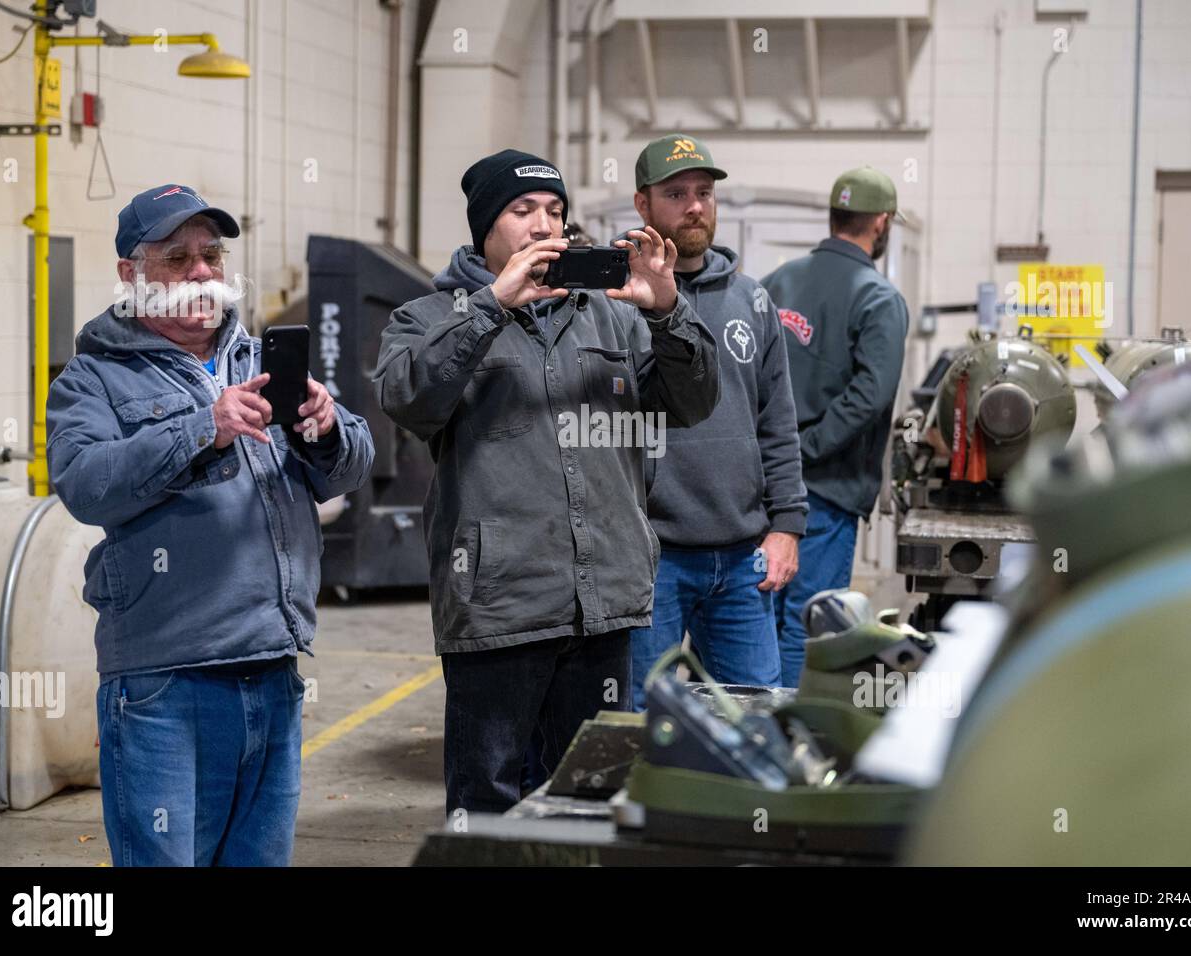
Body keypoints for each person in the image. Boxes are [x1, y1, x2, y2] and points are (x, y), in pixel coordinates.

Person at [373, 149, 718, 814]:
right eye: (522, 210)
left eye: (555, 212)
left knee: (592, 797)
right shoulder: (430, 315)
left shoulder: (610, 311)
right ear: (486, 228)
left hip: (603, 603)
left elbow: (693, 403)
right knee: (487, 799)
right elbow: (408, 396)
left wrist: (669, 313)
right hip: (501, 605)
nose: (543, 225)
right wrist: (492, 306)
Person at [46, 184, 375, 865]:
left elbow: (349, 469)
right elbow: (86, 486)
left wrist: (324, 428)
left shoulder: (261, 361)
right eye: (177, 257)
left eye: (211, 255)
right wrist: (206, 427)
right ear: (130, 275)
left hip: (272, 666)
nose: (201, 271)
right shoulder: (93, 379)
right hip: (165, 681)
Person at [626, 134, 806, 708]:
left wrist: (786, 526)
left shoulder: (752, 303)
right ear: (643, 205)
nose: (695, 206)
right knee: (637, 725)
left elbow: (777, 422)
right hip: (651, 558)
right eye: (676, 193)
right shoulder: (618, 300)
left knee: (753, 719)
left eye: (704, 192)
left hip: (741, 557)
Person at [760, 166, 910, 686]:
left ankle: (739, 744)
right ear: (882, 223)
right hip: (826, 488)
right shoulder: (879, 299)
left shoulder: (774, 282)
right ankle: (787, 749)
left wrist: (776, 457)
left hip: (762, 489)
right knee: (809, 623)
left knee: (758, 617)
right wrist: (808, 449)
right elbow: (871, 394)